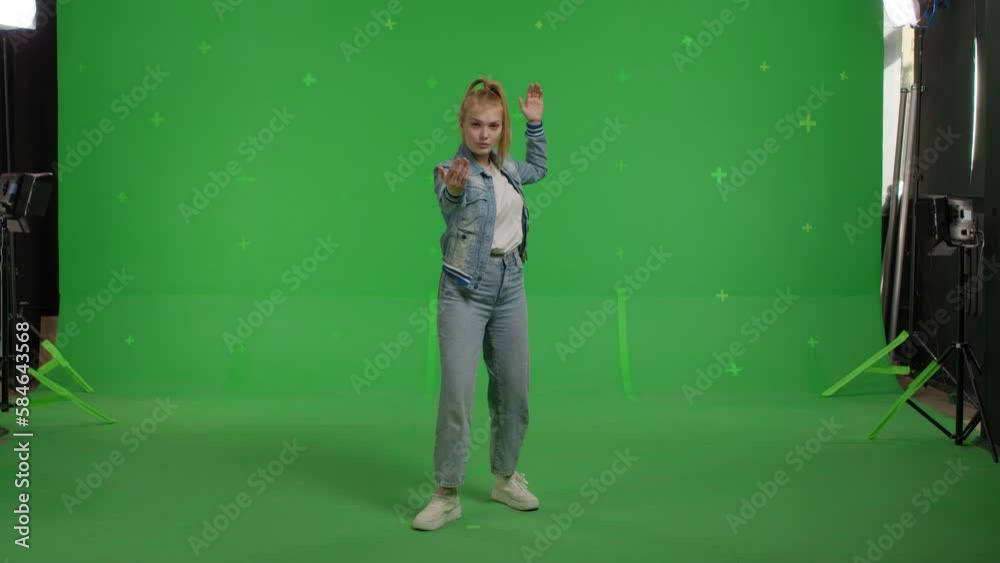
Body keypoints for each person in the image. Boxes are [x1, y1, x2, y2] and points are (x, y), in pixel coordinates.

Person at [412, 77, 547, 531]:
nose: (484, 134)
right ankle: (446, 494)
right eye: (476, 125)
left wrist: (534, 125)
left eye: (493, 125)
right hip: (465, 288)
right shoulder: (450, 170)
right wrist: (453, 190)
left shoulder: (507, 167)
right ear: (462, 124)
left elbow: (540, 167)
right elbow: (448, 204)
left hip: (511, 283)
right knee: (457, 393)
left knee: (514, 389)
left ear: (502, 127)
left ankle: (505, 478)